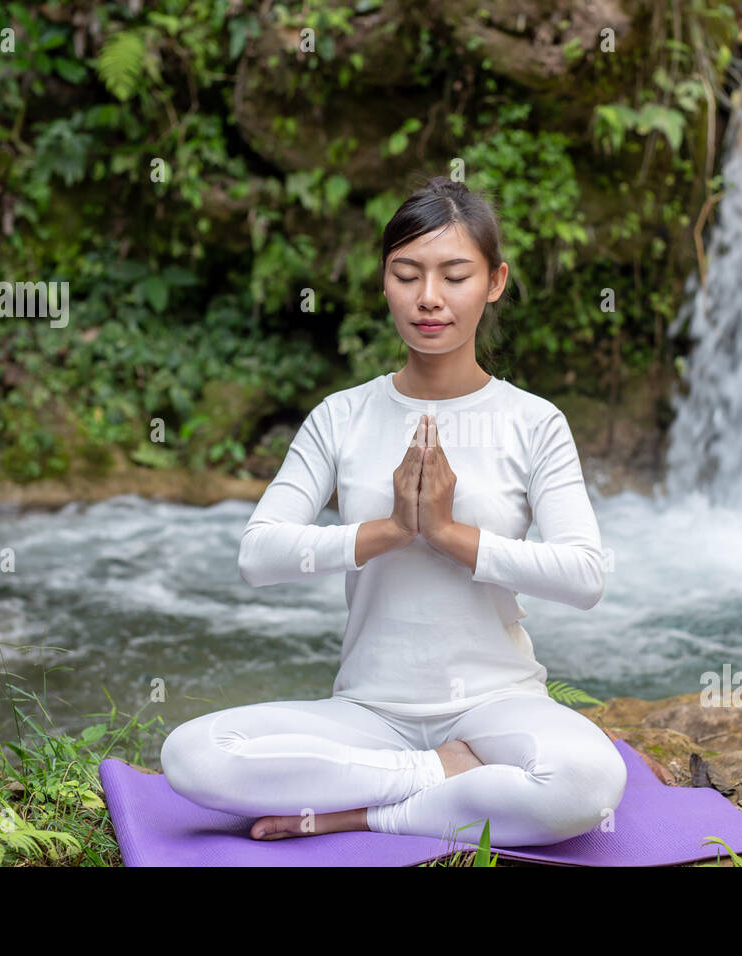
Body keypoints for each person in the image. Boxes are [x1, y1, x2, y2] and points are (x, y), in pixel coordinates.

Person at [159, 175, 627, 848]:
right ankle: (438, 774)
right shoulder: (342, 416)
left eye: (454, 275)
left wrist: (449, 534)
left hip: (498, 705)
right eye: (407, 275)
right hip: (369, 710)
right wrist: (388, 531)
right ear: (384, 283)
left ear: (494, 282)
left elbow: (586, 576)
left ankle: (370, 813)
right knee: (194, 756)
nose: (429, 298)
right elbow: (257, 556)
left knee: (585, 782)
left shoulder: (534, 422)